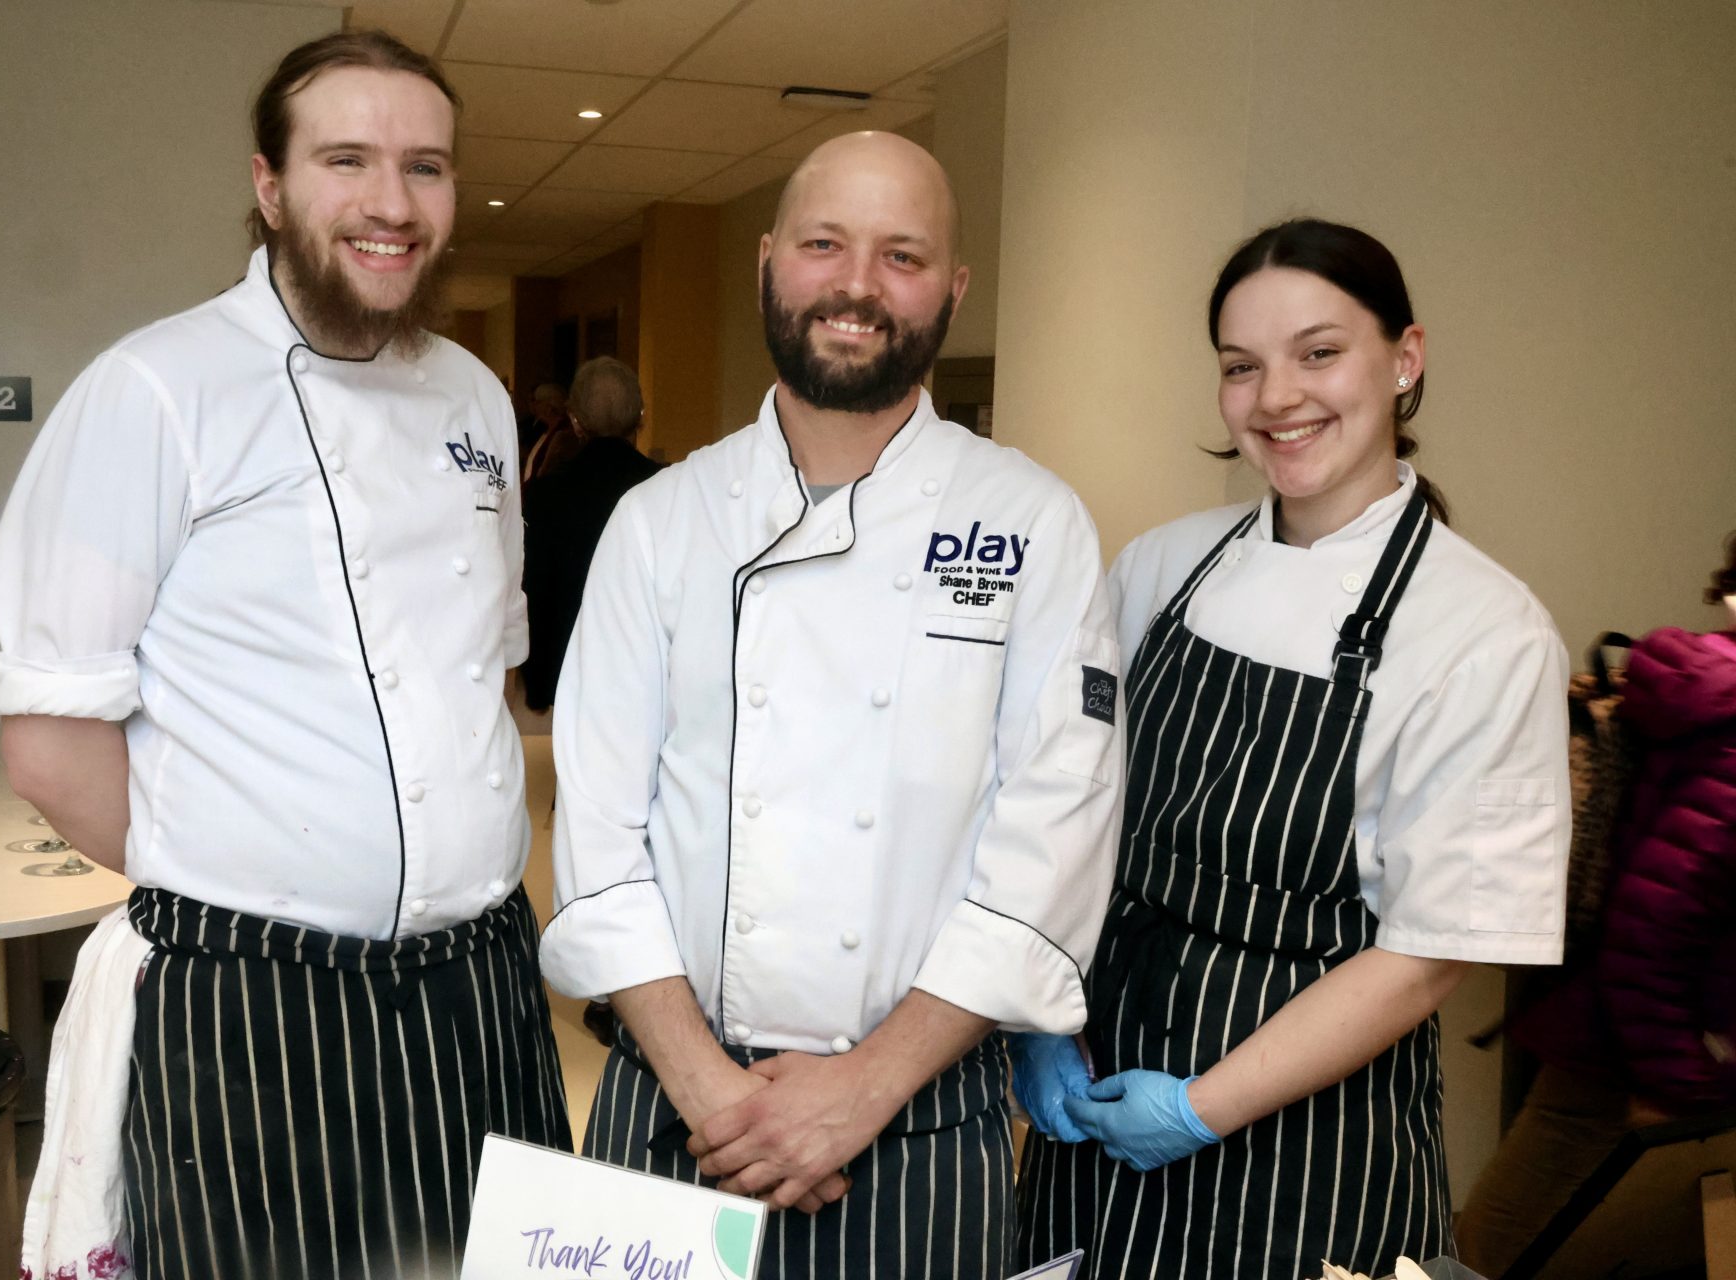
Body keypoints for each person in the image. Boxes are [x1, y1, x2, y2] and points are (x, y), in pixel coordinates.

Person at [0, 31, 568, 1280]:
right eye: (346, 159)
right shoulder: (154, 390)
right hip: (259, 1006)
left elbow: (483, 672)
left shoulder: (472, 396)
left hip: (481, 982)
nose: (390, 203)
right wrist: (241, 879)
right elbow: (47, 740)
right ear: (269, 186)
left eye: (425, 166)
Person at [539, 130, 1126, 1276]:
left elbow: (1053, 839)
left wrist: (862, 1088)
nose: (858, 285)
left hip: (916, 1117)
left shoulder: (1032, 524)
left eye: (902, 256)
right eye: (825, 244)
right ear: (769, 262)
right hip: (677, 1099)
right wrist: (713, 1087)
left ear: (952, 290)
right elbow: (598, 838)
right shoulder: (665, 522)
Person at [1012, 218, 1572, 1278]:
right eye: (1241, 365)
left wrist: (1199, 1106)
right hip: (1095, 1112)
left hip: (1310, 1157)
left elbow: (1424, 954)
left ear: (1405, 359)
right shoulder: (1160, 569)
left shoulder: (1482, 631)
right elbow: (1068, 810)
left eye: (1319, 352)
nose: (1276, 397)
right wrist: (1034, 1013)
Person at [1456, 533, 1736, 1274]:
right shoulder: (1726, 733)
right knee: (1496, 1248)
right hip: (1637, 1057)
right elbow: (1650, 935)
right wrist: (1680, 1085)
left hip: (1649, 1050)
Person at [520, 356, 661, 713]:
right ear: (641, 416)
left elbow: (537, 595)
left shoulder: (545, 496)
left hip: (573, 679)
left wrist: (538, 687)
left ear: (576, 421)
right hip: (654, 678)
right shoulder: (671, 487)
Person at [522, 381, 581, 480]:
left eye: (538, 402)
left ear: (549, 406)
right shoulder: (542, 429)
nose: (534, 406)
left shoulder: (563, 434)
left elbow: (546, 472)